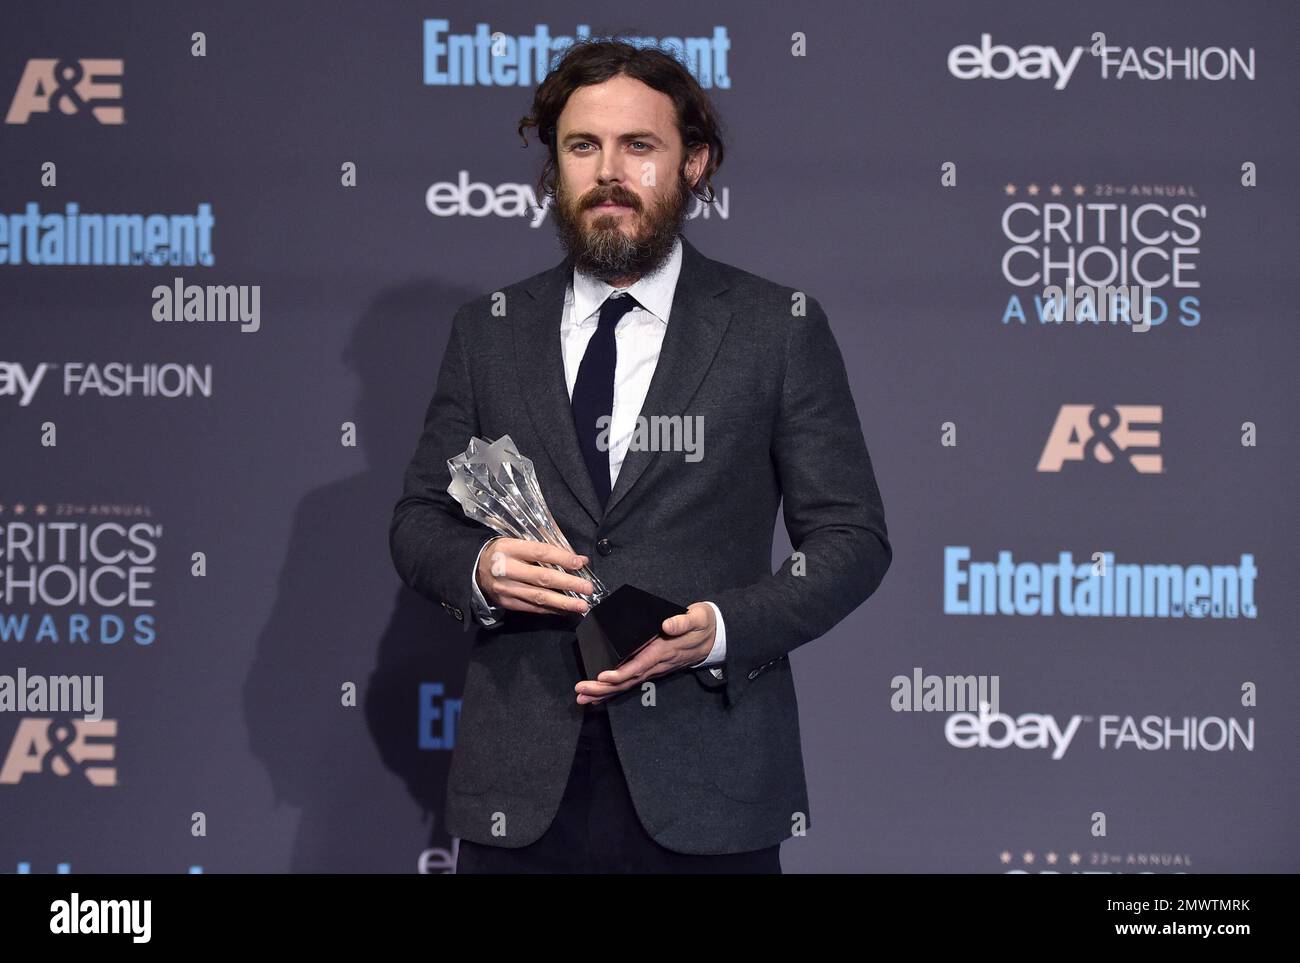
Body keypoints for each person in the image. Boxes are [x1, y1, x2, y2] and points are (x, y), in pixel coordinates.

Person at [389, 37, 891, 873]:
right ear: (554, 169)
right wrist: (480, 567)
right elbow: (418, 521)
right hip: (523, 780)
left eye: (639, 146)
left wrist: (723, 629)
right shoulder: (489, 333)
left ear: (695, 164)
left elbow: (852, 537)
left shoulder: (776, 328)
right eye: (582, 147)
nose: (609, 172)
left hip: (709, 779)